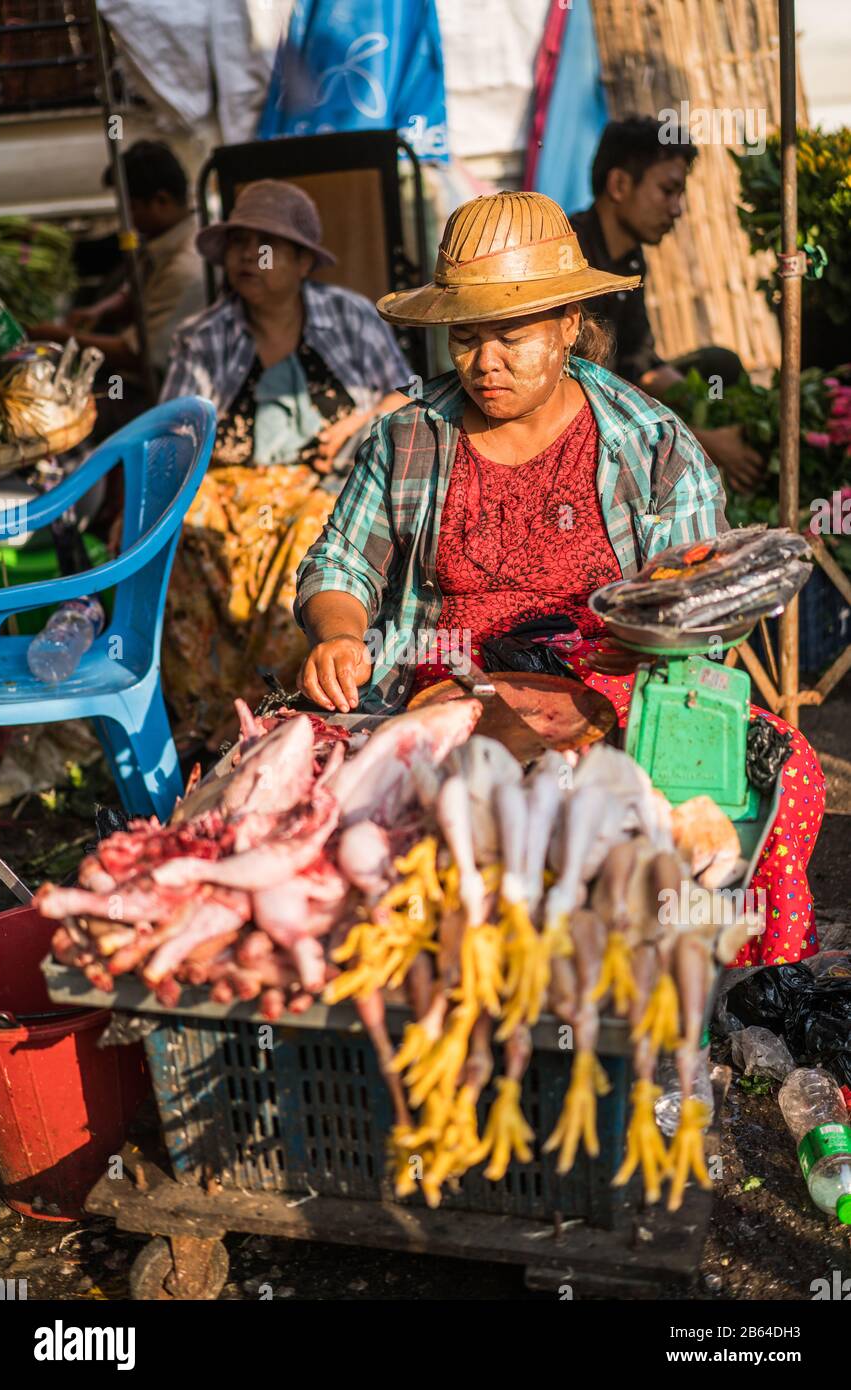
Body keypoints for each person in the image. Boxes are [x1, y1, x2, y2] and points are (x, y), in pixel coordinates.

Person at [295, 190, 824, 971]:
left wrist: (641, 655)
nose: (484, 364)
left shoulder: (650, 445)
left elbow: (705, 608)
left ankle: (745, 990)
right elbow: (340, 562)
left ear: (568, 324)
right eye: (465, 339)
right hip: (438, 688)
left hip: (618, 690)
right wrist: (338, 633)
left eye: (510, 337)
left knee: (789, 772)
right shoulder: (409, 436)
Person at [159, 178, 411, 742]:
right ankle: (206, 727)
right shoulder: (202, 337)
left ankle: (273, 713)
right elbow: (171, 443)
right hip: (227, 495)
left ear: (302, 262)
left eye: (265, 243)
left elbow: (408, 393)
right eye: (238, 243)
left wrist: (357, 421)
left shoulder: (348, 317)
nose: (248, 256)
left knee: (310, 546)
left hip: (324, 486)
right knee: (182, 537)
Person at [569, 117, 765, 496]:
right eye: (667, 191)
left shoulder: (630, 260)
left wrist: (712, 404)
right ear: (620, 185)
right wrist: (705, 439)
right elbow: (592, 396)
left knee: (718, 368)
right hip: (586, 419)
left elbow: (639, 363)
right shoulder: (573, 262)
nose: (677, 210)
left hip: (618, 393)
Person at [32, 140, 206, 379]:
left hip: (163, 387)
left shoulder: (186, 268)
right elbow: (138, 289)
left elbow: (137, 354)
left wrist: (60, 337)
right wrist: (101, 310)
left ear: (161, 201)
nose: (126, 219)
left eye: (131, 208)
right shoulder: (163, 239)